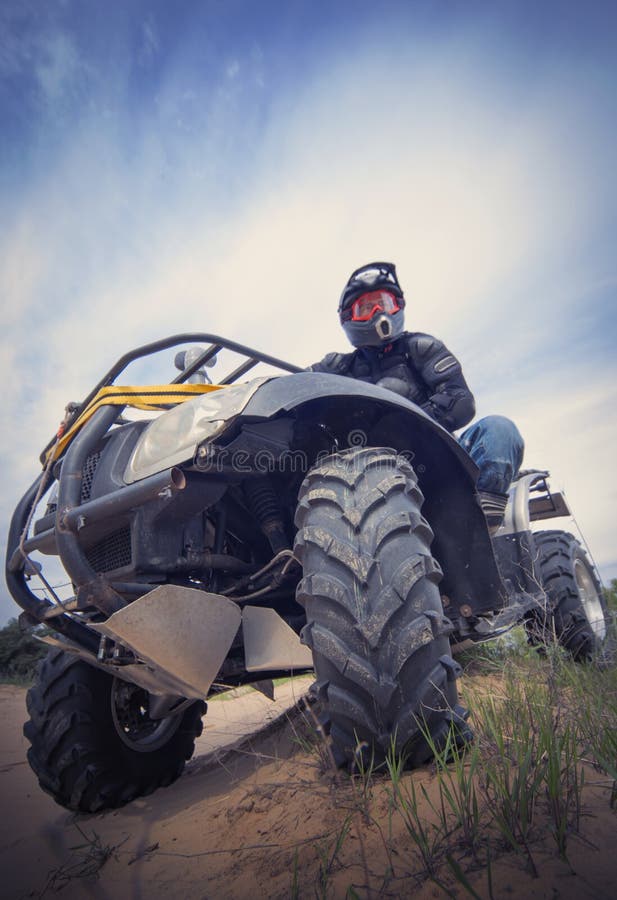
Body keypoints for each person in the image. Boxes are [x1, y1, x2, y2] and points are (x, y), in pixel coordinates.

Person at [309, 262, 524, 531]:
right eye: (366, 307)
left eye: (383, 303)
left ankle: (479, 525)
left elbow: (461, 401)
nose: (378, 313)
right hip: (364, 473)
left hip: (438, 460)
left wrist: (406, 421)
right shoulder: (338, 367)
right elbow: (299, 386)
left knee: (499, 430)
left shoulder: (420, 348)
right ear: (348, 317)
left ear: (397, 305)